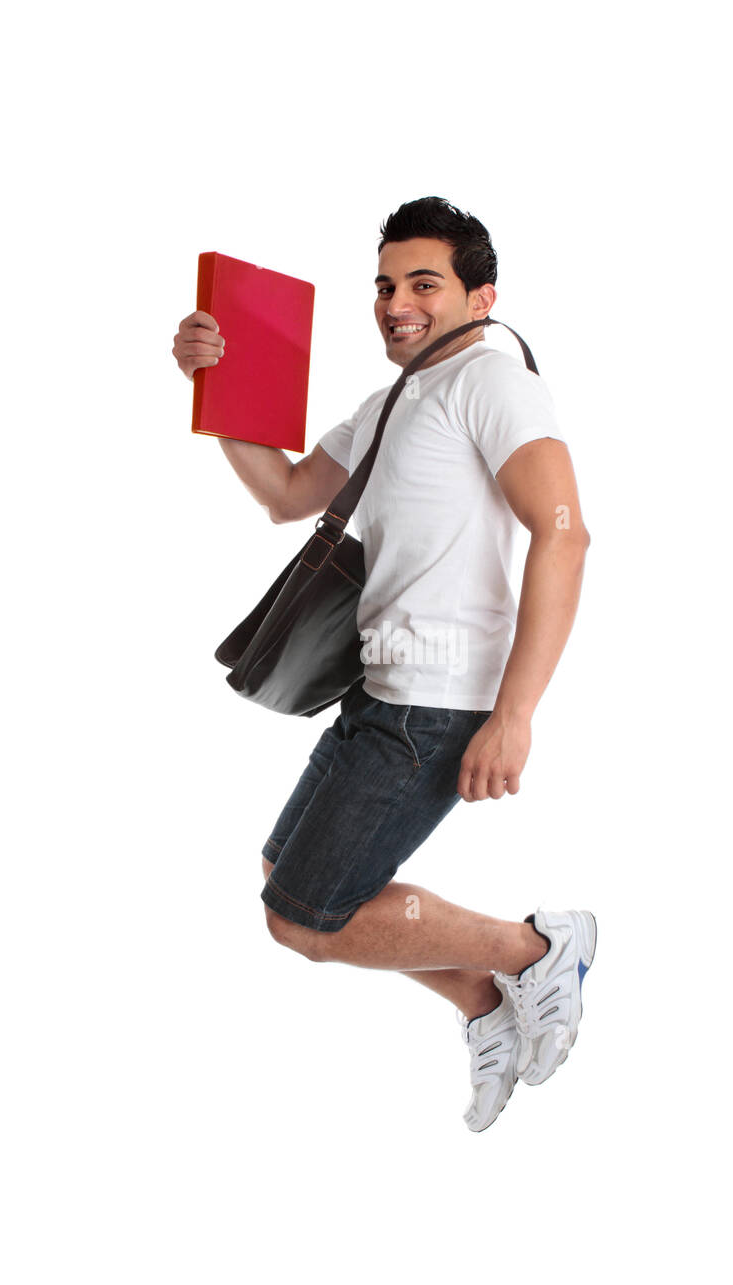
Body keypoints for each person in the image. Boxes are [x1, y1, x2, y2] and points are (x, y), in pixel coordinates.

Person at [172, 196, 596, 1132]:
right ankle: (483, 1005)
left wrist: (515, 714)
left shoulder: (494, 382)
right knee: (291, 871)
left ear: (481, 297)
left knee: (305, 914)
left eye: (423, 283)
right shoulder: (400, 397)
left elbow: (563, 537)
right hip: (380, 689)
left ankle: (534, 952)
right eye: (385, 284)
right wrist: (215, 385)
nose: (396, 302)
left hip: (441, 704)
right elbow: (287, 495)